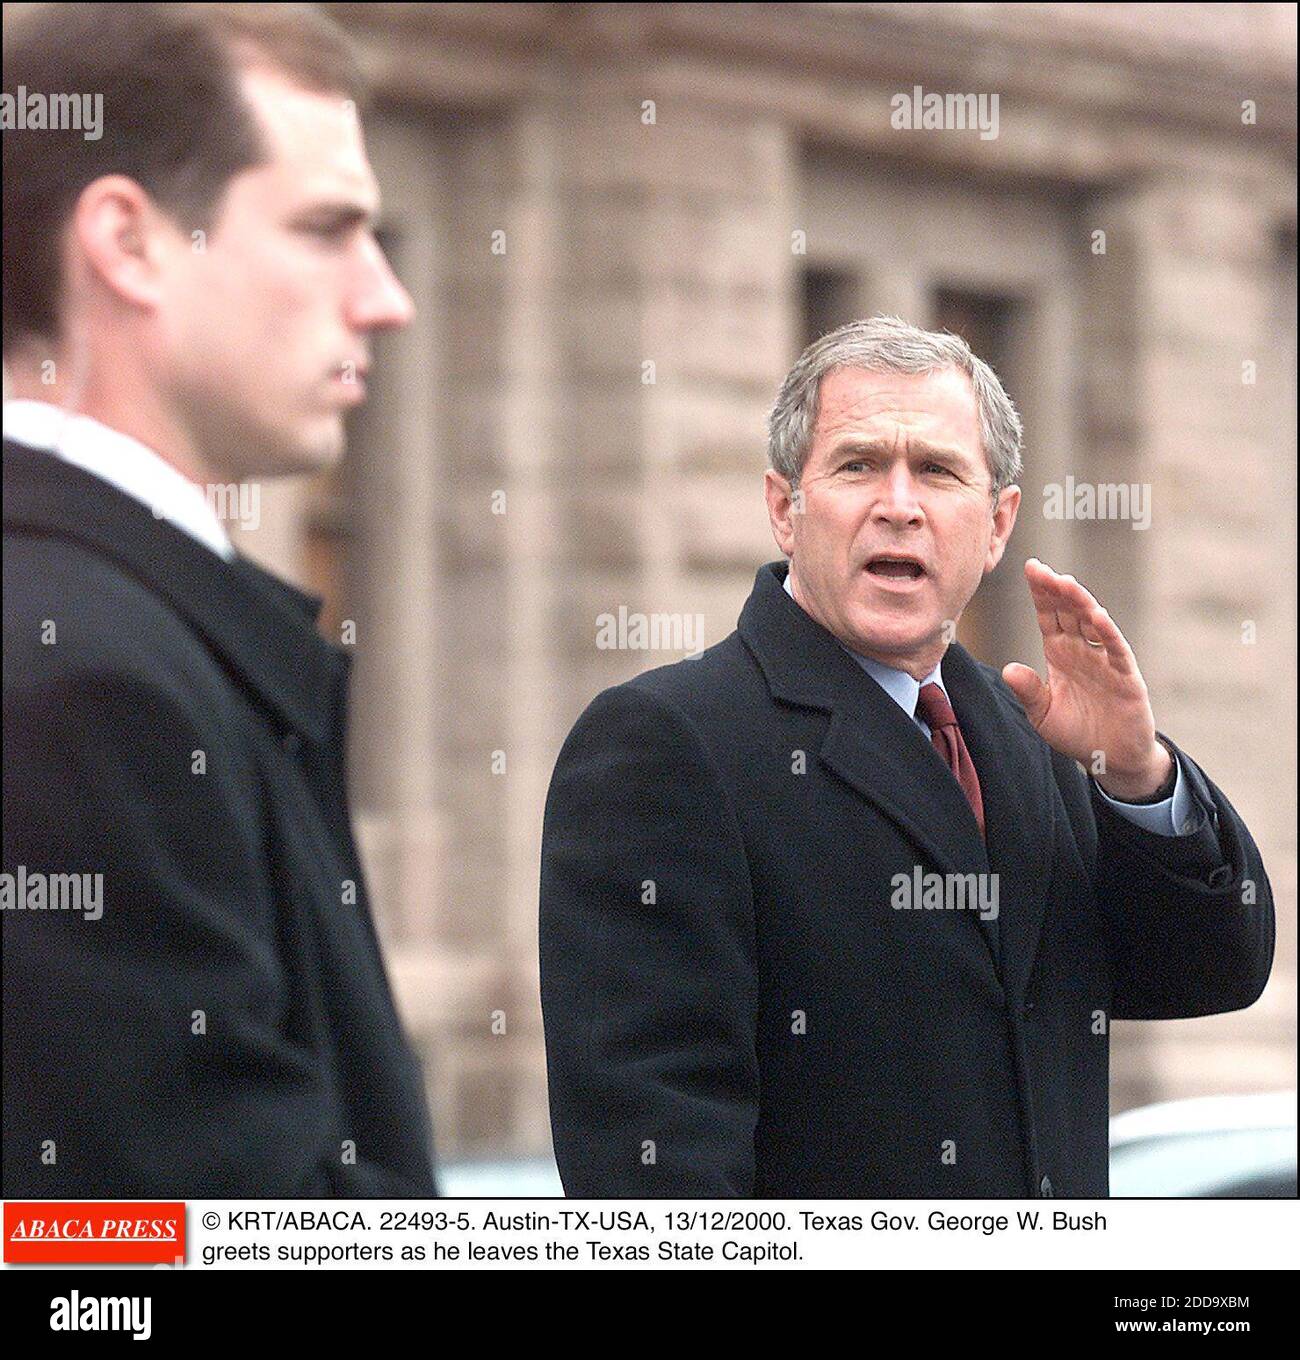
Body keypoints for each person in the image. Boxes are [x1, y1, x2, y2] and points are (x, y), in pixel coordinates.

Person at [539, 315, 1274, 1198]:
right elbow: (654, 1165)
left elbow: (1213, 972)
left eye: (937, 469)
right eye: (857, 465)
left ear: (997, 523)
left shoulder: (1032, 743)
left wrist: (1136, 773)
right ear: (784, 507)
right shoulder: (667, 743)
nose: (899, 503)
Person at [2, 3, 436, 1197]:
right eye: (326, 228)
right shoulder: (83, 683)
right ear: (129, 242)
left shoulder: (120, 633)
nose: (384, 296)